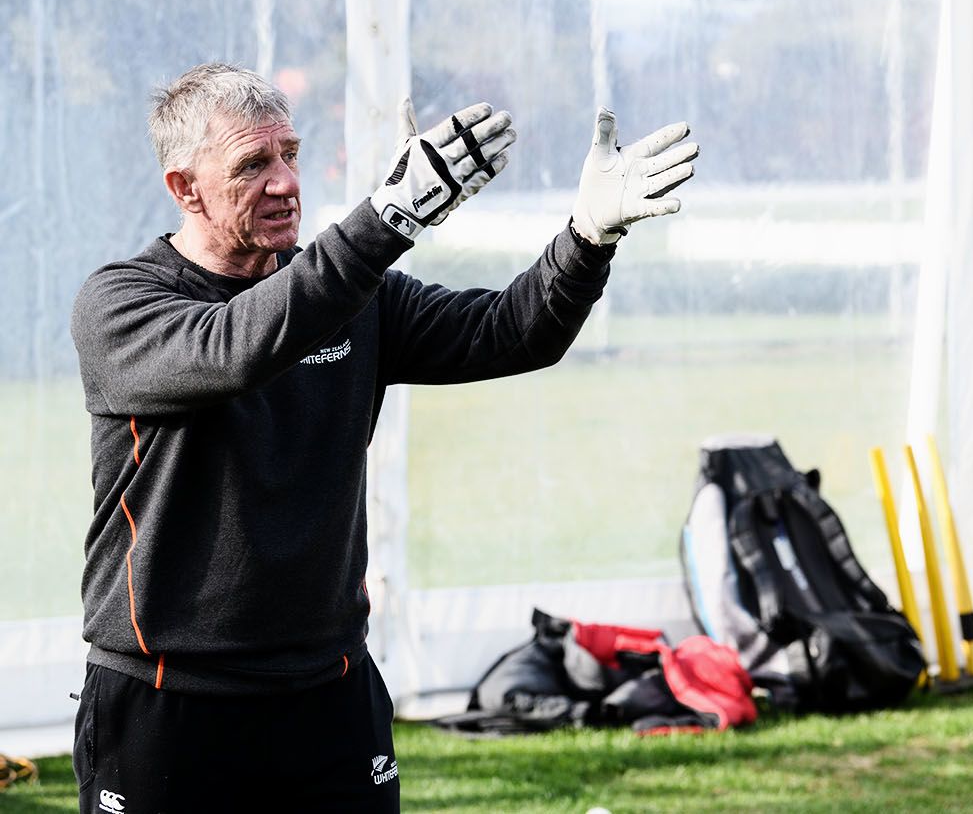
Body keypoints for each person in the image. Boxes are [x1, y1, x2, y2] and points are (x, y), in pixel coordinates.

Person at [69, 62, 699, 813]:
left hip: (329, 690)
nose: (284, 182)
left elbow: (513, 332)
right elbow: (234, 348)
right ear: (185, 188)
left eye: (290, 154)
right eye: (252, 164)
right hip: (168, 701)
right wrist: (387, 218)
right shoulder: (122, 302)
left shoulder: (348, 295)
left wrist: (587, 238)